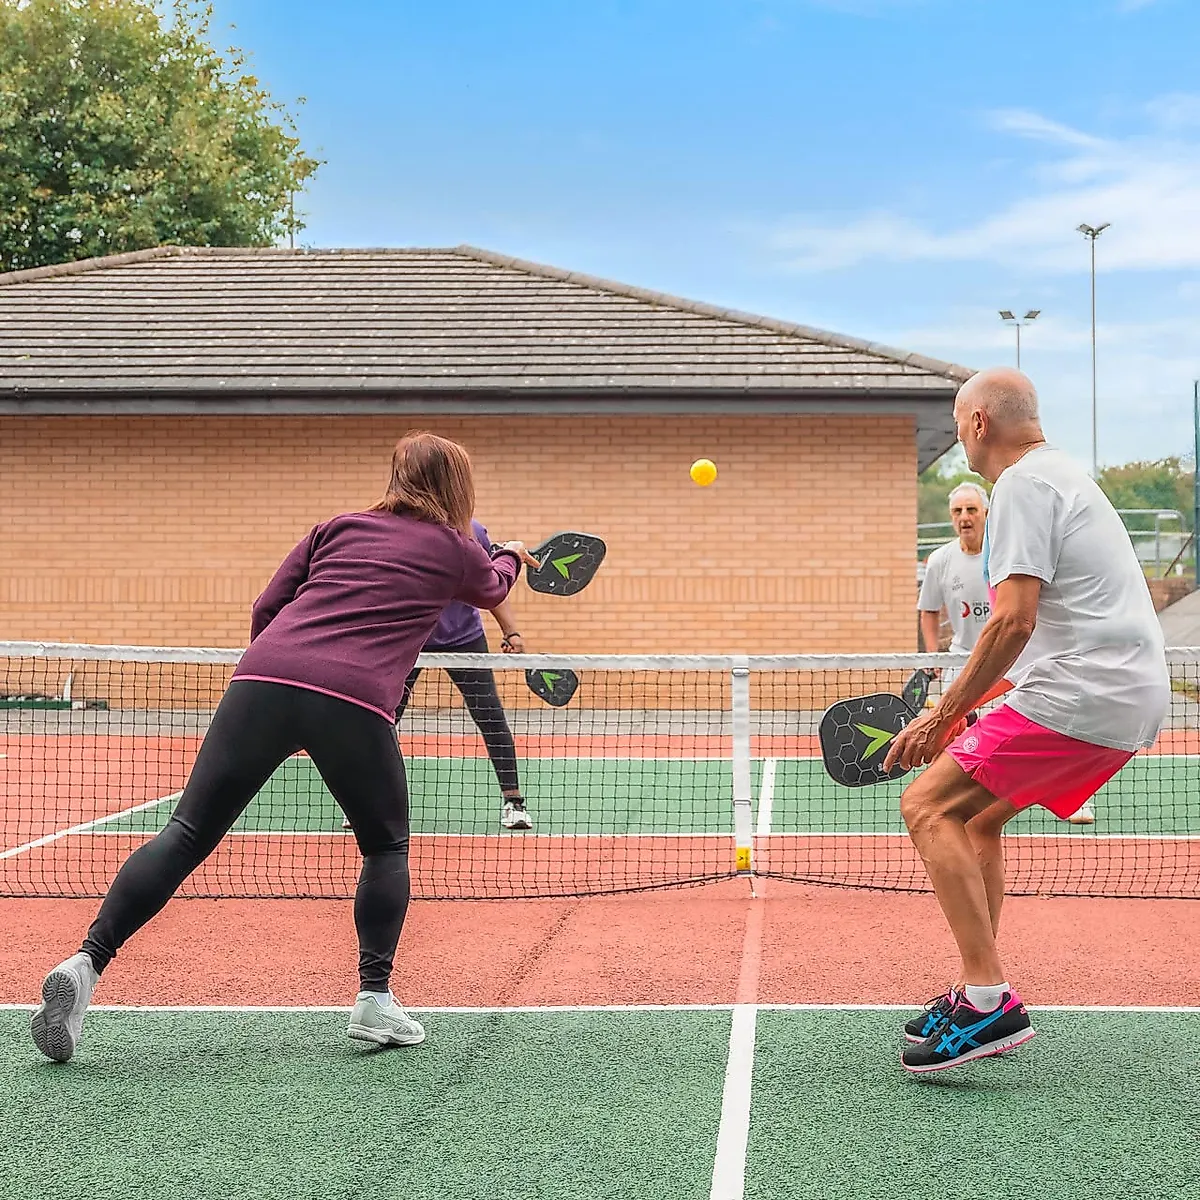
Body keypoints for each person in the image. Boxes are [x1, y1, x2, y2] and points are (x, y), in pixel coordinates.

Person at [30, 433, 540, 1063]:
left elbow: (268, 605)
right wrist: (514, 553)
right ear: (458, 488)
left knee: (186, 832)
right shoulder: (455, 549)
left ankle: (86, 964)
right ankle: (374, 1001)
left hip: (262, 679)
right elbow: (492, 590)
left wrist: (279, 686)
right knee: (385, 846)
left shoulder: (337, 528)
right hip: (353, 700)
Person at [885, 368, 1169, 1074]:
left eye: (957, 420)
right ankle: (981, 992)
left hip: (1089, 692)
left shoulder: (1020, 485)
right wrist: (966, 709)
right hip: (1116, 690)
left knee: (924, 805)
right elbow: (1047, 631)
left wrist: (942, 716)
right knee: (977, 821)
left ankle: (988, 1001)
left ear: (979, 422)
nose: (956, 434)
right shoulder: (1060, 476)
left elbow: (1013, 620)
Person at [342, 518, 534, 833]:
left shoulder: (474, 533)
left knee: (489, 714)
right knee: (382, 716)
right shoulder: (403, 529)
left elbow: (492, 586)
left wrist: (511, 631)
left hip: (463, 637)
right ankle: (363, 803)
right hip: (412, 635)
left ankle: (514, 802)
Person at [918, 482, 991, 670]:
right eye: (957, 511)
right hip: (960, 661)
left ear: (986, 513)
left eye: (972, 509)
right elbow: (929, 610)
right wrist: (933, 657)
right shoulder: (939, 560)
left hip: (1004, 662)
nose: (964, 517)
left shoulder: (1005, 553)